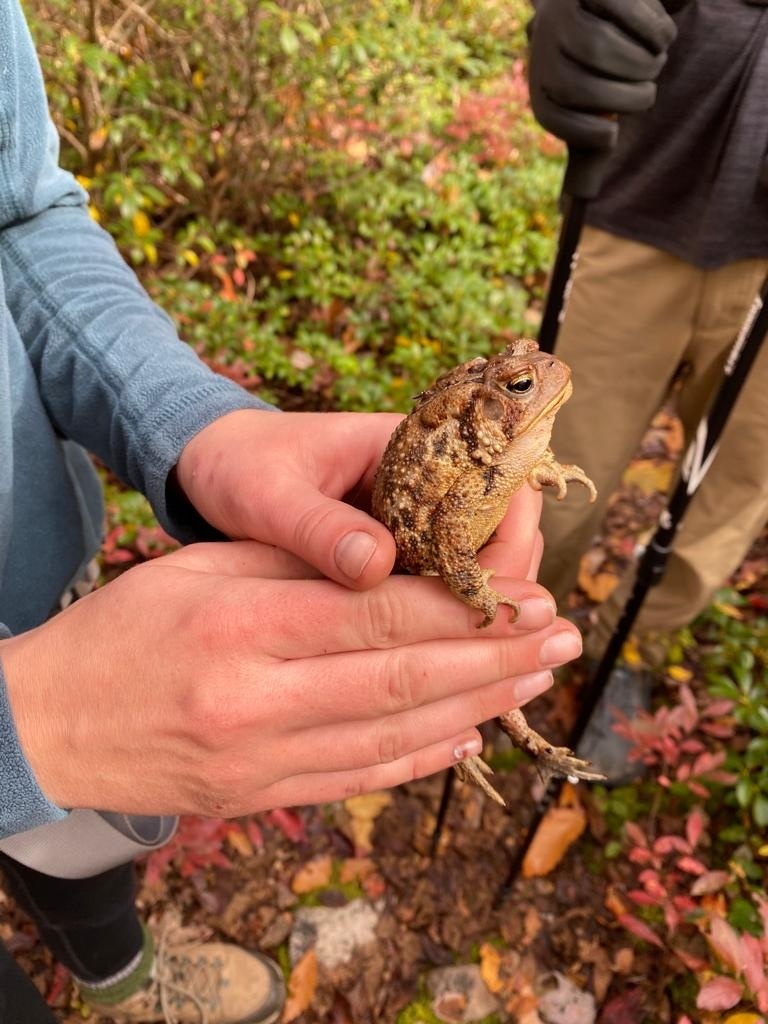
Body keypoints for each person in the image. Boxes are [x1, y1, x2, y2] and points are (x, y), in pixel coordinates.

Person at [0, 0, 586, 1020]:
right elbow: (447, 535)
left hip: (30, 564)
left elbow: (20, 214)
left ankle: (118, 974)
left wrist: (195, 422)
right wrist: (27, 724)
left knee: (75, 840)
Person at [528, 0, 768, 778]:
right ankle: (512, 631)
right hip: (629, 198)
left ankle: (627, 648)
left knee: (726, 496)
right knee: (548, 473)